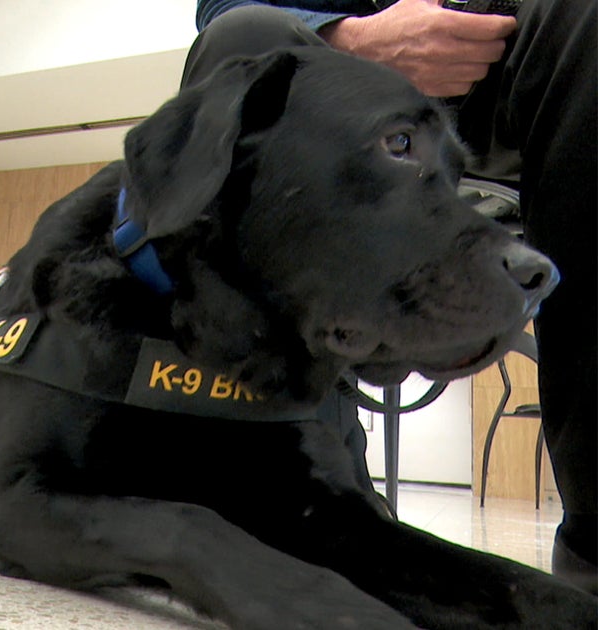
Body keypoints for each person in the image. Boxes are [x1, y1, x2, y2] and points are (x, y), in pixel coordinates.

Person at [185, 0, 596, 593]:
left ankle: (594, 534)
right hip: (338, 55)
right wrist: (347, 36)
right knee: (244, 31)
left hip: (505, 55)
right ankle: (291, 456)